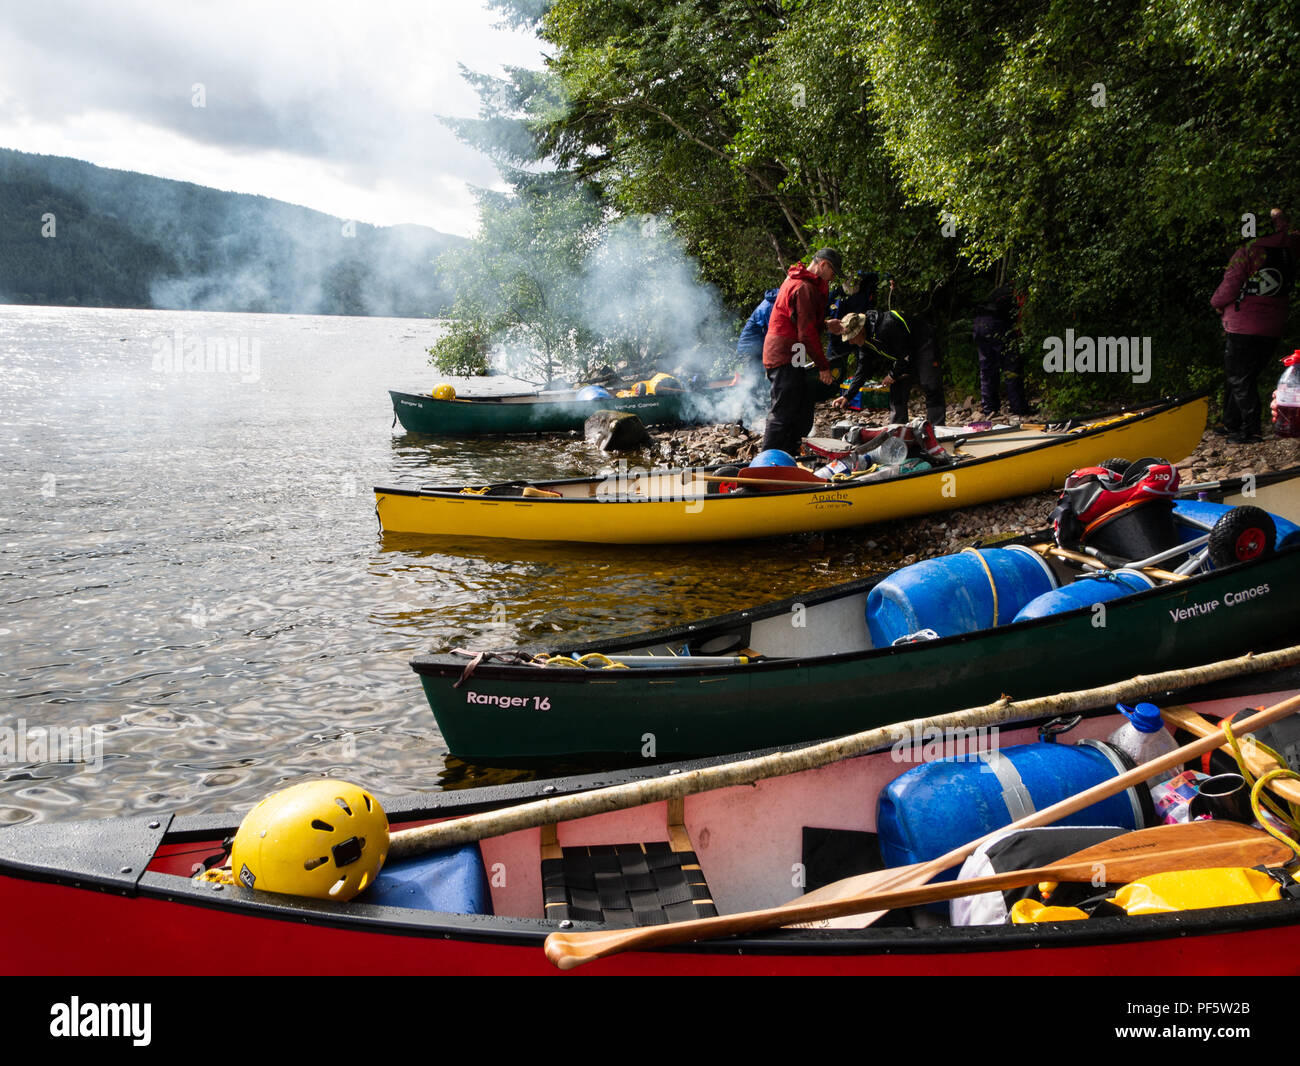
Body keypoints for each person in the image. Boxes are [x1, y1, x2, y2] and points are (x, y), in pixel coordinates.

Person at [1210, 207, 1300, 443]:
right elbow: (1291, 232)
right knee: (1243, 376)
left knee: (1240, 377)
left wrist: (1215, 303)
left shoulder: (1246, 253)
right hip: (1273, 326)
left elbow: (1226, 291)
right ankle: (1232, 423)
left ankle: (1250, 431)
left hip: (1243, 326)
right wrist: (1279, 216)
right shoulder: (1289, 247)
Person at [760, 248, 843, 454]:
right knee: (783, 408)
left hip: (793, 353)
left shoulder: (800, 282)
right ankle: (766, 460)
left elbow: (803, 323)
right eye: (833, 272)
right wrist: (824, 366)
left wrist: (824, 324)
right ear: (823, 265)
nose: (832, 279)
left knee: (801, 404)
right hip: (783, 353)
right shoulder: (803, 287)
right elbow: (805, 334)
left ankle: (790, 452)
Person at [832, 307, 945, 426]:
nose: (850, 342)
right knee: (896, 387)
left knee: (930, 384)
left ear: (860, 331)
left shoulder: (886, 327)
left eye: (851, 338)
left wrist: (892, 374)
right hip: (904, 354)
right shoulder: (865, 342)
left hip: (923, 343)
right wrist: (848, 396)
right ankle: (897, 428)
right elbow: (863, 370)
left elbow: (906, 354)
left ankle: (936, 428)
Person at [820, 270, 879, 401]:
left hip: (860, 332)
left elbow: (879, 275)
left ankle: (862, 393)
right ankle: (832, 390)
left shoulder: (867, 286)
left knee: (863, 363)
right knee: (834, 364)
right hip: (838, 335)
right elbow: (822, 312)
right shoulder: (834, 294)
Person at [972, 283, 1029, 416]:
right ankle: (1019, 408)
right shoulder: (1018, 293)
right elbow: (1020, 315)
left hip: (979, 324)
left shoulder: (1000, 292)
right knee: (1011, 367)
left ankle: (989, 409)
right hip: (996, 324)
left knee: (987, 369)